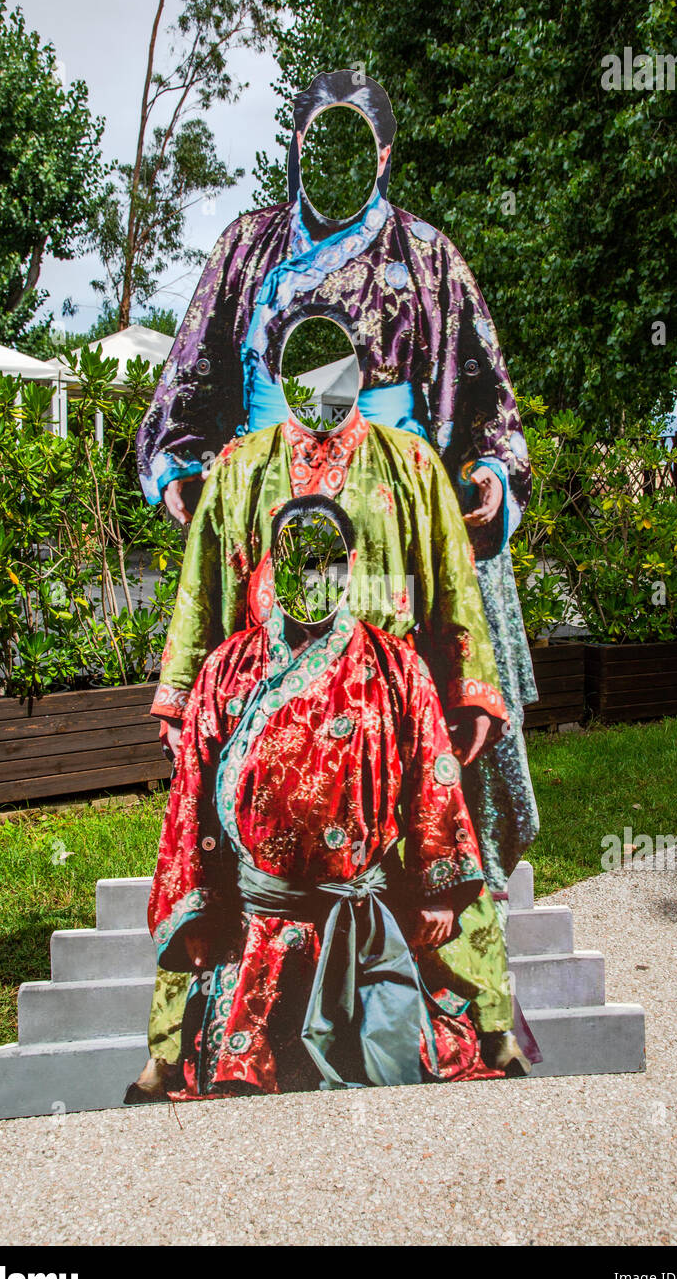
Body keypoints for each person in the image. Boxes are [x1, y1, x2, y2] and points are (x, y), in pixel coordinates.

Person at [136, 68, 539, 887]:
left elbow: (488, 396)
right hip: (265, 497)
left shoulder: (428, 257)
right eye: (320, 136)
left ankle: (420, 876)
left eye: (357, 138)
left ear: (385, 153)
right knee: (256, 693)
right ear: (295, 144)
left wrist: (489, 475)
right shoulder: (244, 248)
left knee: (395, 695)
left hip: (395, 506)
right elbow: (186, 382)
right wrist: (183, 469)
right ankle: (248, 874)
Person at [137, 499, 528, 1099]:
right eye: (296, 559)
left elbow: (435, 778)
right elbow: (191, 797)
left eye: (328, 562)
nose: (313, 576)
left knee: (394, 1070)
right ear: (271, 567)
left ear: (352, 567)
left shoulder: (397, 666)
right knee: (242, 1086)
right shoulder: (225, 669)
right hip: (256, 926)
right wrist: (199, 910)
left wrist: (440, 890)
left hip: (363, 918)